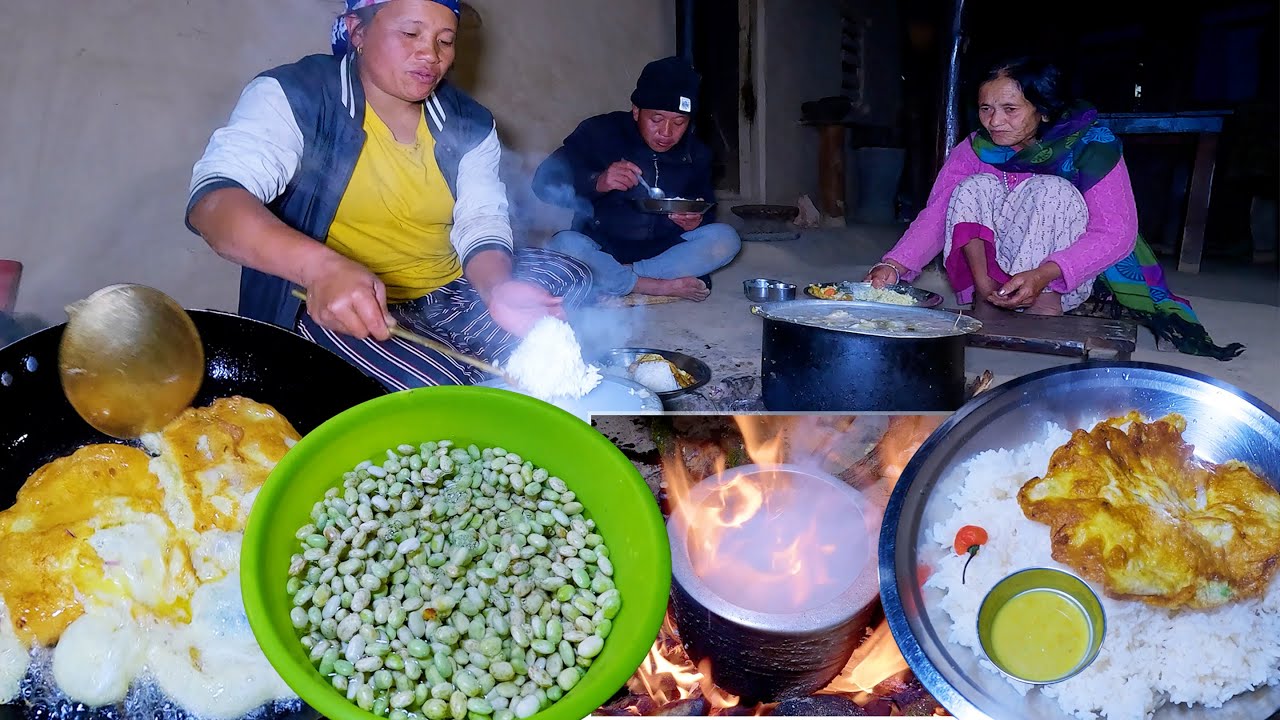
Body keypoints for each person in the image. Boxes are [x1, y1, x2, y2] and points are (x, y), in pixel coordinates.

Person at [185, 0, 594, 391]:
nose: (430, 54)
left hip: (447, 288)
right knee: (440, 395)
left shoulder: (469, 122)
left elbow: (481, 219)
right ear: (357, 30)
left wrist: (497, 288)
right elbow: (216, 202)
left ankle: (441, 350)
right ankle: (446, 363)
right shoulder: (298, 95)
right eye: (411, 32)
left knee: (572, 276)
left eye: (445, 40)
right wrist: (320, 270)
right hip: (349, 298)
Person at [866, 57, 1242, 359]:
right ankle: (988, 299)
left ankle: (1044, 306)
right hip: (994, 271)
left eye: (1010, 109)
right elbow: (937, 213)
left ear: (1043, 110)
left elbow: (1116, 232)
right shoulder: (976, 149)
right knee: (972, 187)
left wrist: (1045, 275)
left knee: (1049, 189)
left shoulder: (1091, 145)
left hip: (1058, 277)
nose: (994, 122)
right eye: (986, 108)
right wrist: (895, 265)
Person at [532, 56, 741, 302]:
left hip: (661, 253)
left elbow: (705, 203)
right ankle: (658, 287)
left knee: (726, 239)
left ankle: (626, 281)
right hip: (601, 247)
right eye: (656, 120)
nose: (666, 133)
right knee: (564, 245)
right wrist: (597, 181)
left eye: (679, 122)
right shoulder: (599, 133)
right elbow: (542, 183)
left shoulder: (697, 153)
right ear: (636, 111)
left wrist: (696, 220)